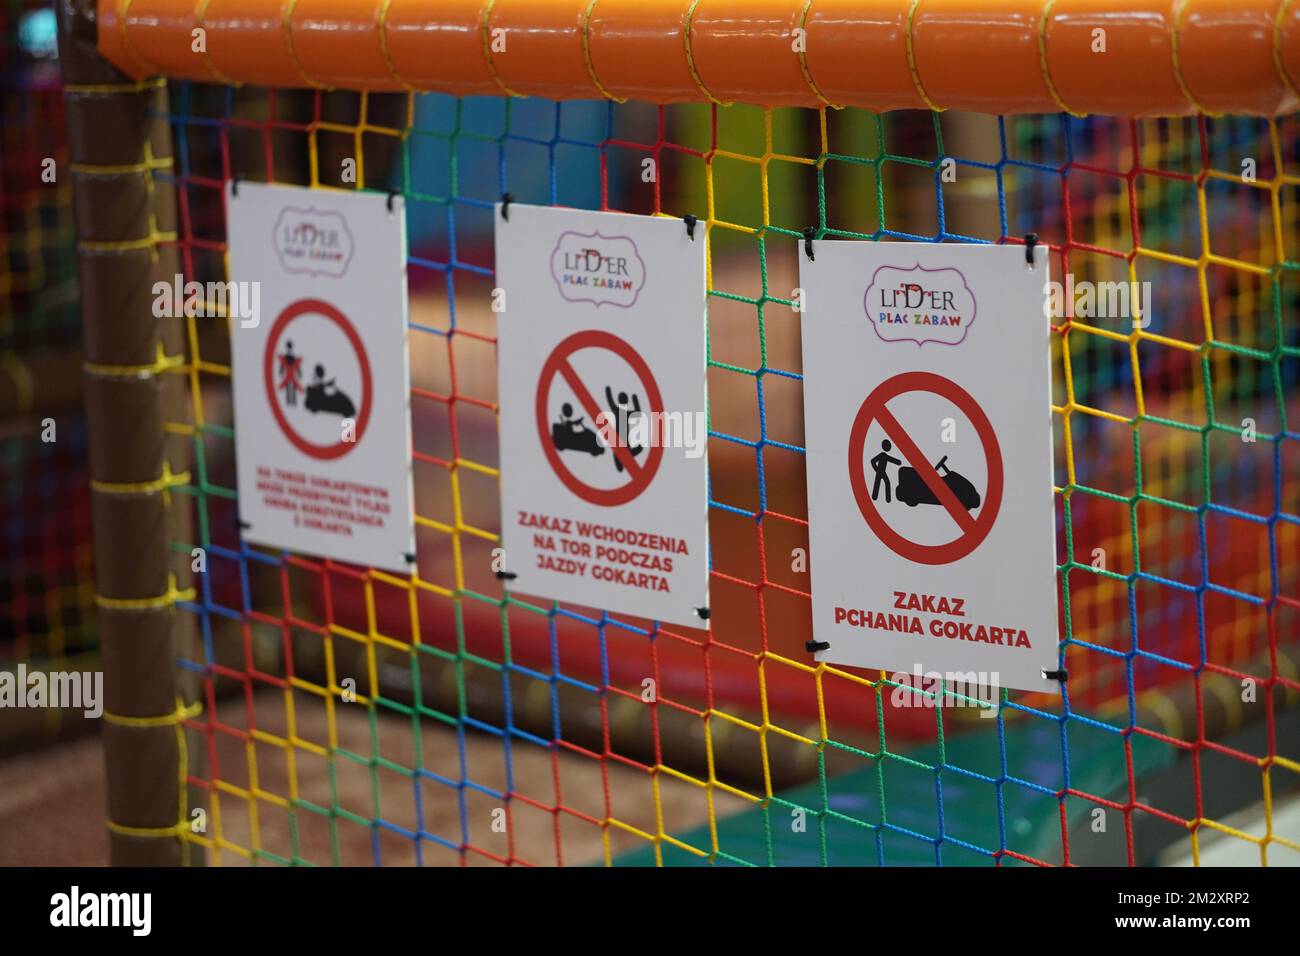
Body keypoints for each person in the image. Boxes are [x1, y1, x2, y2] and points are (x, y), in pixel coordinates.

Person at [604, 386, 644, 473]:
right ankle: (621, 458)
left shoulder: (620, 411)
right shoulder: (619, 411)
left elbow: (610, 401)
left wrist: (608, 391)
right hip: (620, 443)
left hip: (624, 443)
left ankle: (622, 458)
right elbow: (638, 412)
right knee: (639, 449)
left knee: (639, 448)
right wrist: (634, 399)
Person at [278, 339, 303, 406]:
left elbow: (296, 366)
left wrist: (299, 373)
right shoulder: (286, 357)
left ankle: (292, 402)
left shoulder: (292, 358)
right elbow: (283, 365)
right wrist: (281, 371)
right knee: (289, 390)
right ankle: (290, 402)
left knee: (292, 389)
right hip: (289, 378)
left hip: (291, 378)